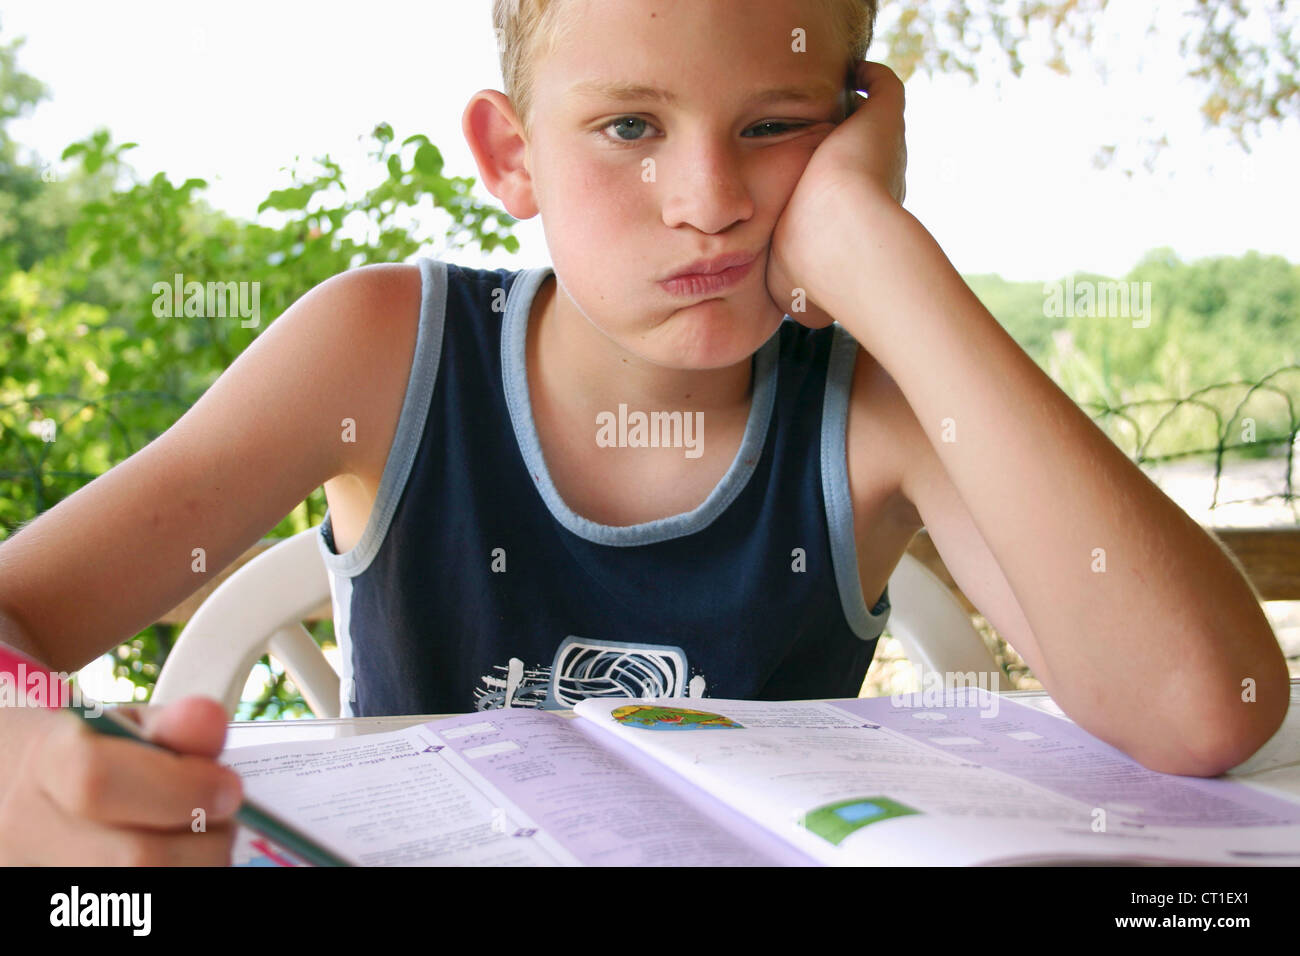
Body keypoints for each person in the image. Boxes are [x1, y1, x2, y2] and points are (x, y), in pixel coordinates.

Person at [0, 0, 1287, 866]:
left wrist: (883, 263)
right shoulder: (380, 350)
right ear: (511, 158)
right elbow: (19, 614)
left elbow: (1200, 708)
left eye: (774, 127)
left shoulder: (876, 397)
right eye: (628, 128)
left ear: (854, 137)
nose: (710, 205)